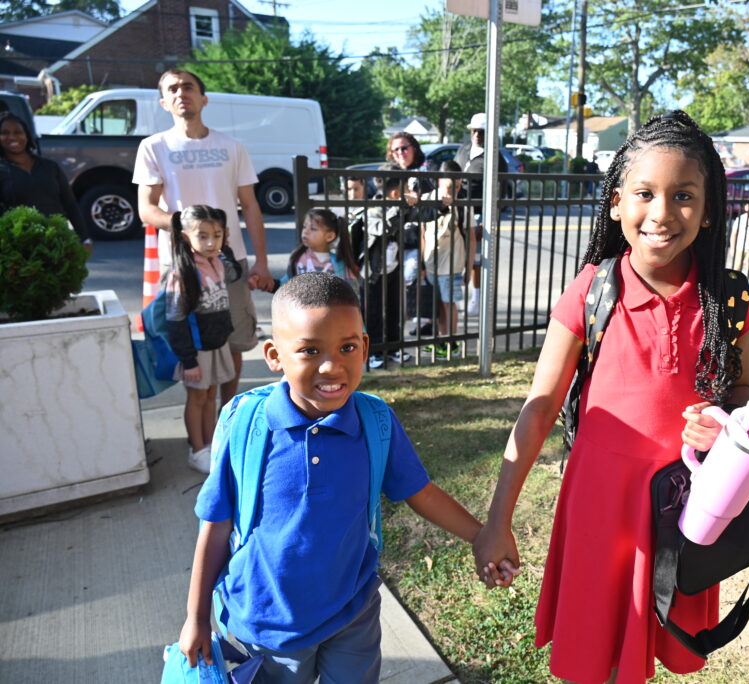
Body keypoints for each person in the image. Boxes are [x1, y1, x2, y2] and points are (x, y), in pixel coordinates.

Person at [472, 110, 749, 684]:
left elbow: (743, 388)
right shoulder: (591, 290)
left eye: (683, 196)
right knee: (595, 655)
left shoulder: (727, 299)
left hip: (685, 507)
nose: (661, 213)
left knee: (657, 639)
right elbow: (540, 406)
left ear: (706, 212)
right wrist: (497, 518)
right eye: (645, 193)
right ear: (616, 202)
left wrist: (724, 418)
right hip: (601, 506)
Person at [177, 272, 511, 683]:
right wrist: (195, 618)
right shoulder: (246, 423)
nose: (331, 366)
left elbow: (421, 493)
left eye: (347, 347)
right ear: (274, 355)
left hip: (352, 612)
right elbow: (215, 523)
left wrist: (481, 536)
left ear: (365, 347)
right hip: (268, 627)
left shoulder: (375, 421)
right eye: (309, 350)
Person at [134, 68, 274, 409]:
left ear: (203, 98)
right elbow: (147, 210)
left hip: (230, 263)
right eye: (173, 89)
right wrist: (187, 226)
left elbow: (251, 206)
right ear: (164, 102)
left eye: (189, 87)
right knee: (192, 347)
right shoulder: (154, 147)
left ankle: (231, 417)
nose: (182, 92)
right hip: (183, 268)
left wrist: (262, 262)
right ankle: (201, 434)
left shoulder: (231, 146)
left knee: (235, 342)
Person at [165, 205, 241, 473]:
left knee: (210, 396)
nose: (211, 242)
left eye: (217, 235)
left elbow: (236, 273)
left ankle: (210, 445)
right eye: (203, 236)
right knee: (197, 398)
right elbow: (175, 320)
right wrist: (189, 360)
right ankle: (196, 450)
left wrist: (226, 246)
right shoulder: (182, 274)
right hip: (196, 351)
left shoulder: (218, 263)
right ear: (186, 237)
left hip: (216, 344)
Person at [0, 112, 92, 257]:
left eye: (18, 132)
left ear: (27, 136)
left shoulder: (50, 167)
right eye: (4, 133)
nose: (12, 137)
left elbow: (70, 204)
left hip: (57, 241)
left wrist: (84, 238)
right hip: (17, 246)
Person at [454, 112, 508, 315]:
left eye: (482, 131)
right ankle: (456, 297)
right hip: (459, 211)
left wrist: (490, 218)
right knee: (457, 255)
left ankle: (476, 297)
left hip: (479, 214)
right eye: (474, 130)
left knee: (476, 260)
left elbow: (500, 190)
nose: (477, 134)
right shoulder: (463, 150)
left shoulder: (495, 156)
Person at [420, 161, 474, 359]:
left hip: (452, 264)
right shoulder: (428, 200)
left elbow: (471, 237)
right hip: (431, 262)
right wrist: (421, 264)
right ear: (439, 181)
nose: (454, 191)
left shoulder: (462, 205)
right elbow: (422, 234)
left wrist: (468, 268)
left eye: (458, 187)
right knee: (437, 304)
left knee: (449, 304)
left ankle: (451, 342)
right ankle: (441, 339)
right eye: (450, 187)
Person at [383, 132, 434, 335]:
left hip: (415, 243)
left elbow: (431, 214)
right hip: (392, 242)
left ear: (414, 148)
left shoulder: (423, 175)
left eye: (405, 148)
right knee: (393, 289)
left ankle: (405, 328)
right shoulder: (388, 174)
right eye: (396, 149)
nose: (400, 153)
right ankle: (395, 330)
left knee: (409, 284)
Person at [363, 164, 406, 369]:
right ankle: (375, 350)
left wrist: (441, 206)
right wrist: (399, 208)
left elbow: (422, 216)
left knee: (394, 308)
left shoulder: (401, 206)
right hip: (374, 271)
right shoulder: (372, 209)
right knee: (374, 311)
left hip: (394, 267)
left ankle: (394, 346)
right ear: (396, 192)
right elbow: (382, 229)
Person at [276, 208, 360, 294]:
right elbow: (289, 281)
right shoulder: (297, 256)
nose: (305, 231)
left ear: (330, 236)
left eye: (313, 229)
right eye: (305, 226)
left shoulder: (338, 264)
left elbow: (350, 293)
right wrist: (272, 285)